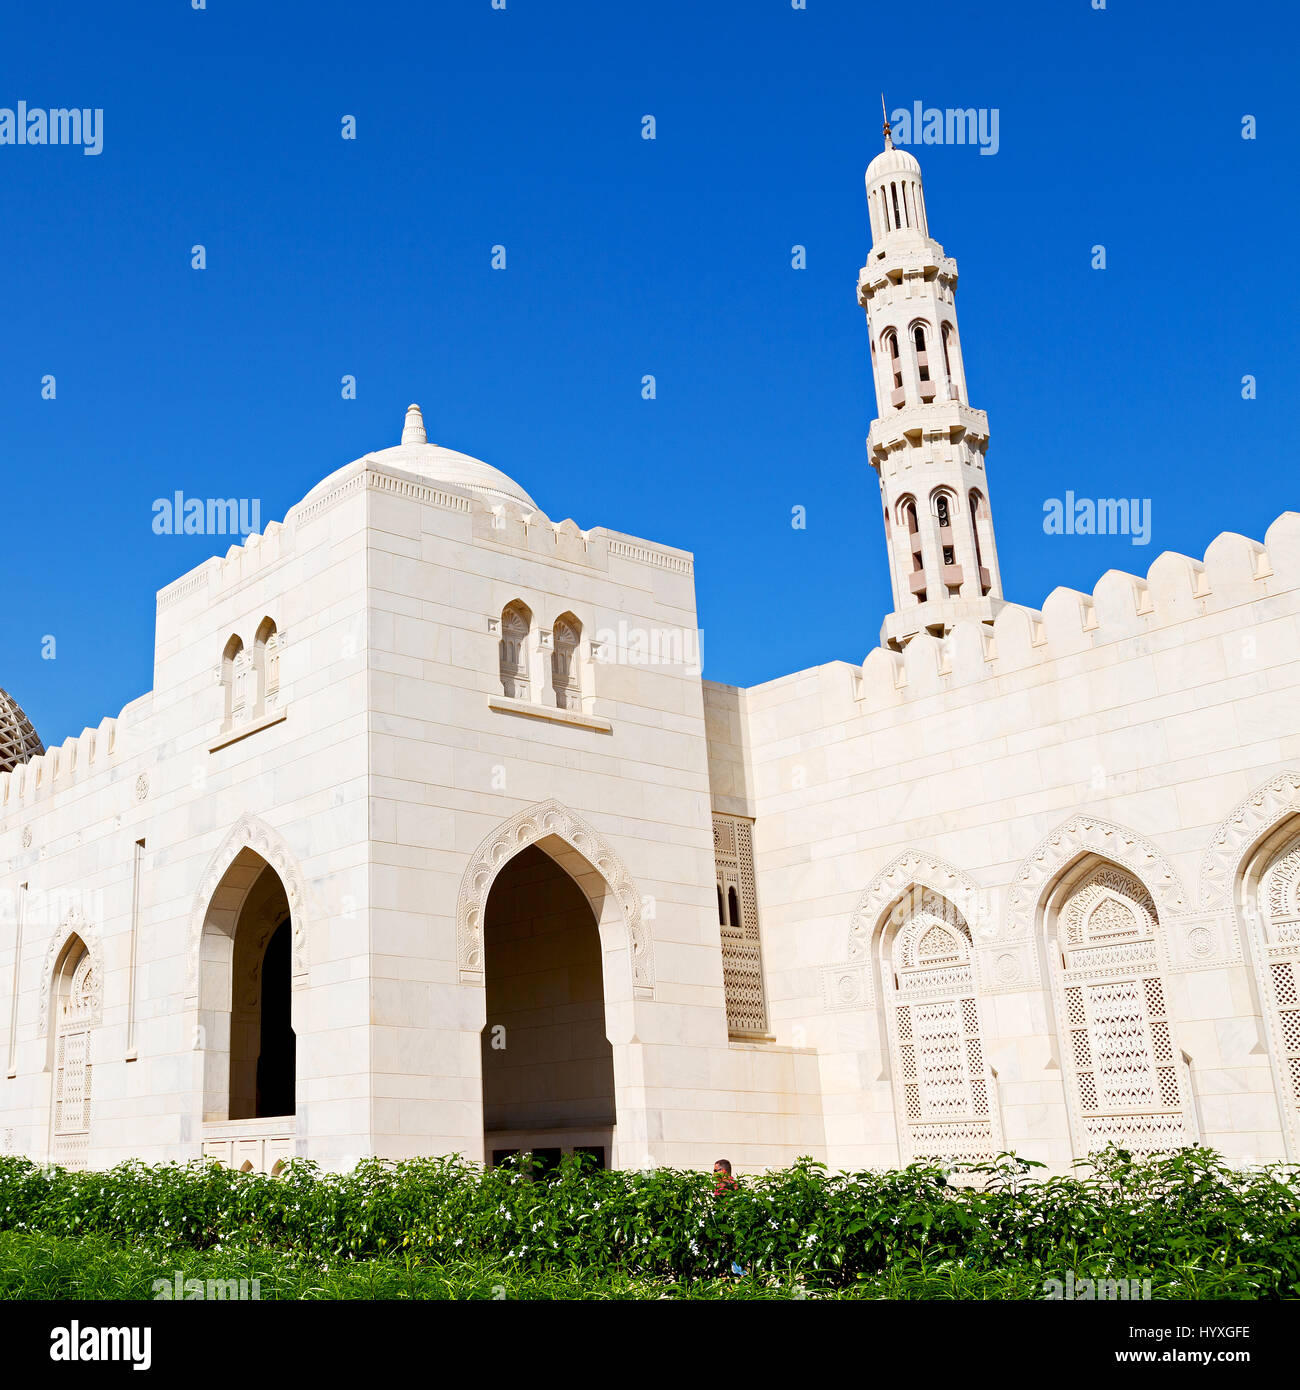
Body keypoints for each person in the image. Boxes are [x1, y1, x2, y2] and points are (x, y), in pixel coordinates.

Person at [712, 1159, 746, 1276]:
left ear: (724, 1171)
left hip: (727, 1225)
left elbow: (721, 1208)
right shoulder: (736, 1185)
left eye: (716, 1170)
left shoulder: (722, 1186)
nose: (713, 1174)